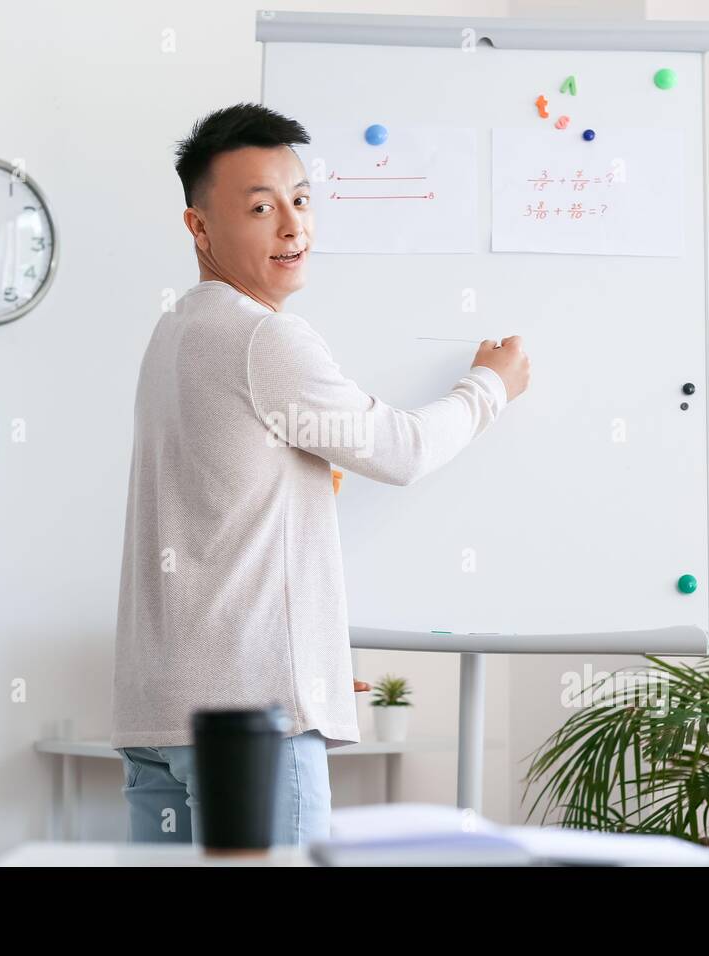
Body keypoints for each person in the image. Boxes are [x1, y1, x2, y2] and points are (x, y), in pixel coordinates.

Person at [112, 103, 530, 846]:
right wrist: (489, 386)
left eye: (301, 200)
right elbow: (400, 450)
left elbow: (224, 503)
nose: (292, 227)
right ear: (199, 228)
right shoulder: (262, 338)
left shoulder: (170, 331)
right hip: (251, 726)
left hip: (158, 720)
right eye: (261, 208)